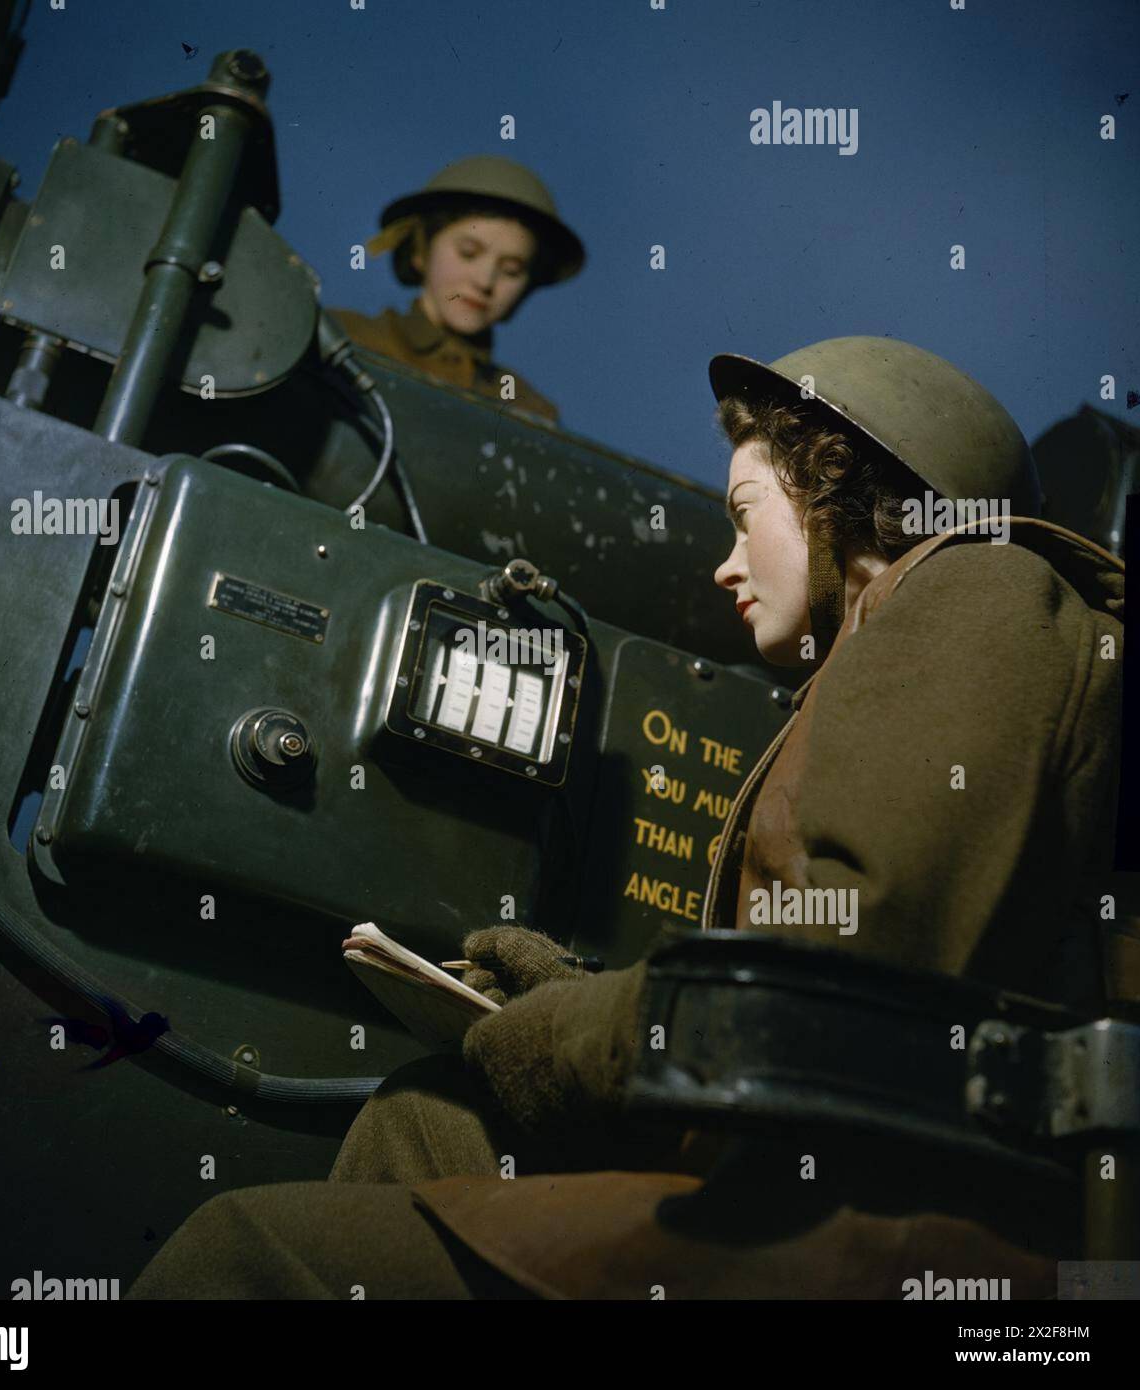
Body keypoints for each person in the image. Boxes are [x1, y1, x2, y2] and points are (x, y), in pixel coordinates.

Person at [127, 337, 1126, 1299]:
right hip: (825, 1178)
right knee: (427, 1118)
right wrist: (571, 998)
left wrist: (565, 1028)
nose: (725, 568)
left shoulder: (979, 587)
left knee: (245, 1257)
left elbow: (854, 968)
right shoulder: (899, 642)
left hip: (899, 1230)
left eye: (746, 515)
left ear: (835, 486)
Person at [326, 155, 583, 424]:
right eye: (468, 253)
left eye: (511, 270)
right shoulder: (341, 340)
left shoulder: (531, 411)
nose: (485, 281)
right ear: (420, 251)